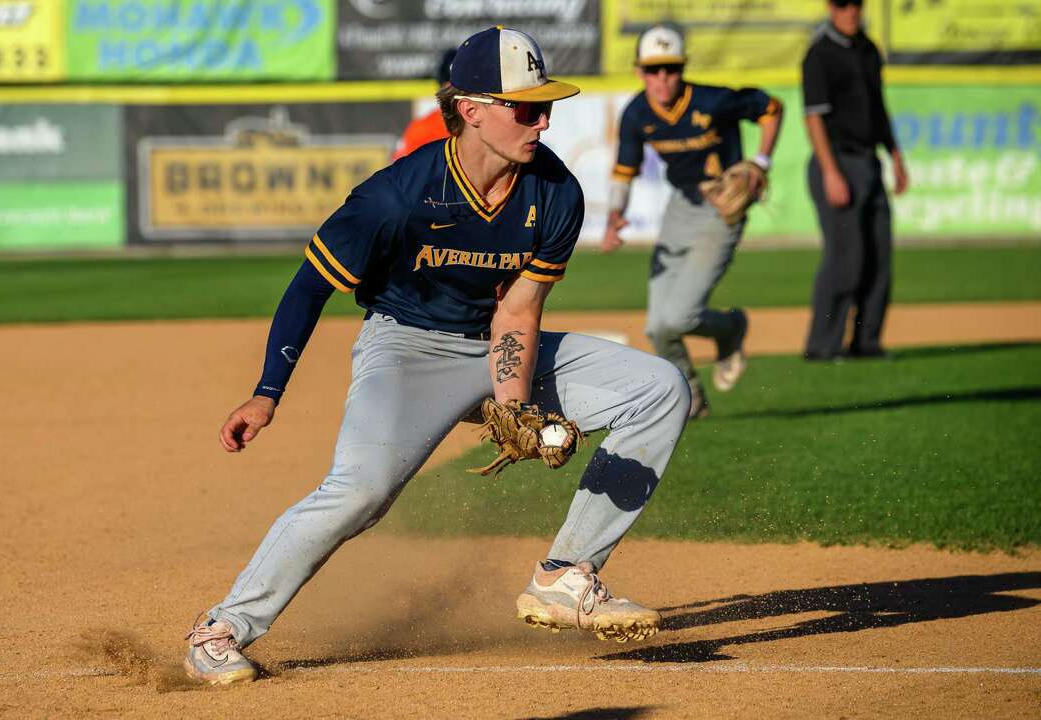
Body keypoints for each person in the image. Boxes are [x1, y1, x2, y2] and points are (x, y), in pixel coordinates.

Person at [183, 26, 691, 686]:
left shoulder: (554, 192)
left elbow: (517, 311)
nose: (541, 120)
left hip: (498, 346)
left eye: (547, 106)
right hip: (407, 349)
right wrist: (267, 391)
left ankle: (564, 575)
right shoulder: (397, 195)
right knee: (361, 492)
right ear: (471, 108)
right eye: (525, 107)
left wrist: (514, 406)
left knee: (658, 388)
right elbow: (310, 284)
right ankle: (221, 629)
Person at [601, 23, 782, 419]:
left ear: (682, 68)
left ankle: (731, 328)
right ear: (639, 72)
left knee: (679, 317)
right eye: (653, 69)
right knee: (657, 328)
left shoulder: (713, 101)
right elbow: (623, 171)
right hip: (679, 209)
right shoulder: (637, 113)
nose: (662, 78)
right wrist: (616, 214)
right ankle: (693, 400)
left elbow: (771, 109)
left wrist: (760, 161)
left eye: (671, 68)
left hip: (721, 212)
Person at [801, 0, 908, 360]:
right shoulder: (819, 55)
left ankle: (867, 342)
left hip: (869, 162)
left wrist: (895, 156)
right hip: (837, 162)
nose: (851, 11)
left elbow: (878, 107)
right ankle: (822, 346)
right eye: (842, 4)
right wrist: (831, 172)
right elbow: (814, 118)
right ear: (831, 8)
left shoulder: (868, 49)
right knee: (846, 258)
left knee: (879, 258)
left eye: (856, 4)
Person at [392, 47, 458, 160]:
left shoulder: (487, 123)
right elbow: (400, 171)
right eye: (451, 88)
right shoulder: (424, 128)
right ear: (443, 88)